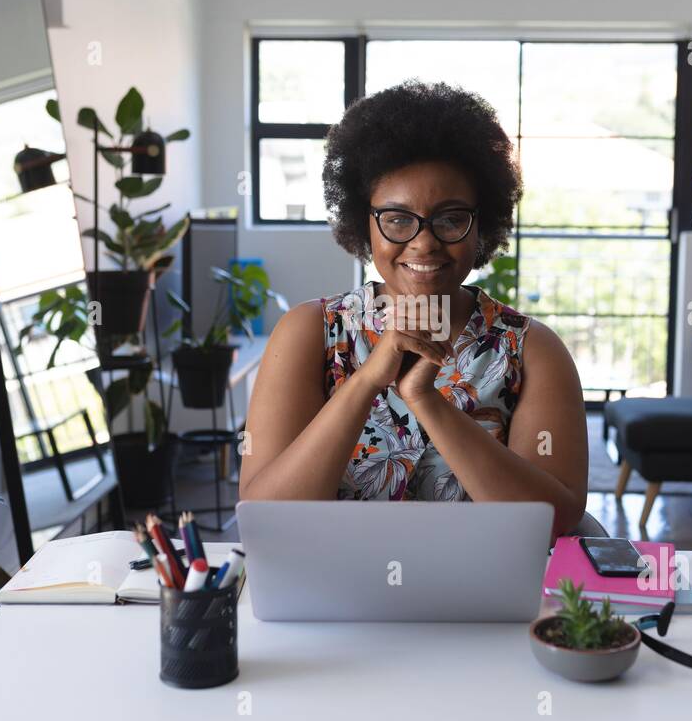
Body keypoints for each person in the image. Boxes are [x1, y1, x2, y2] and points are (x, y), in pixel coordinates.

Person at [239, 80, 588, 537]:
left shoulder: (529, 349)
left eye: (450, 219)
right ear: (364, 224)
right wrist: (366, 382)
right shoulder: (311, 332)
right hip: (334, 592)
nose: (424, 242)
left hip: (484, 596)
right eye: (398, 219)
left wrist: (426, 400)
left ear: (480, 225)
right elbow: (264, 519)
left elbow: (557, 522)